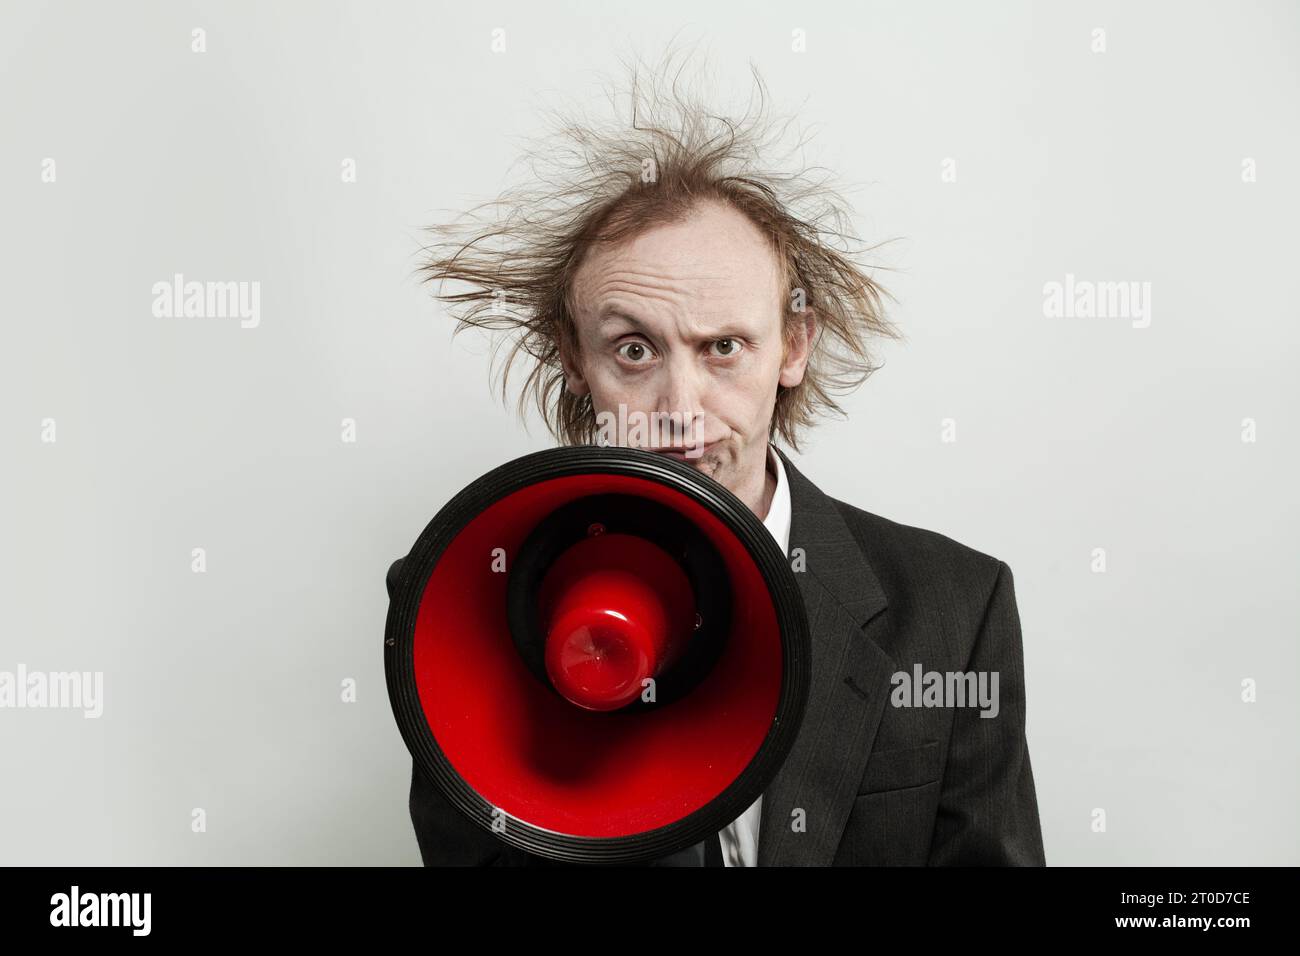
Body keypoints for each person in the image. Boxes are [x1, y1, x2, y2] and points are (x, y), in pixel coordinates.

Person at [389, 49, 1045, 866]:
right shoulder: (459, 601)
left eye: (725, 346)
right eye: (633, 350)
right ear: (573, 357)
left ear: (794, 346)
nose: (680, 409)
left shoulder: (954, 608)